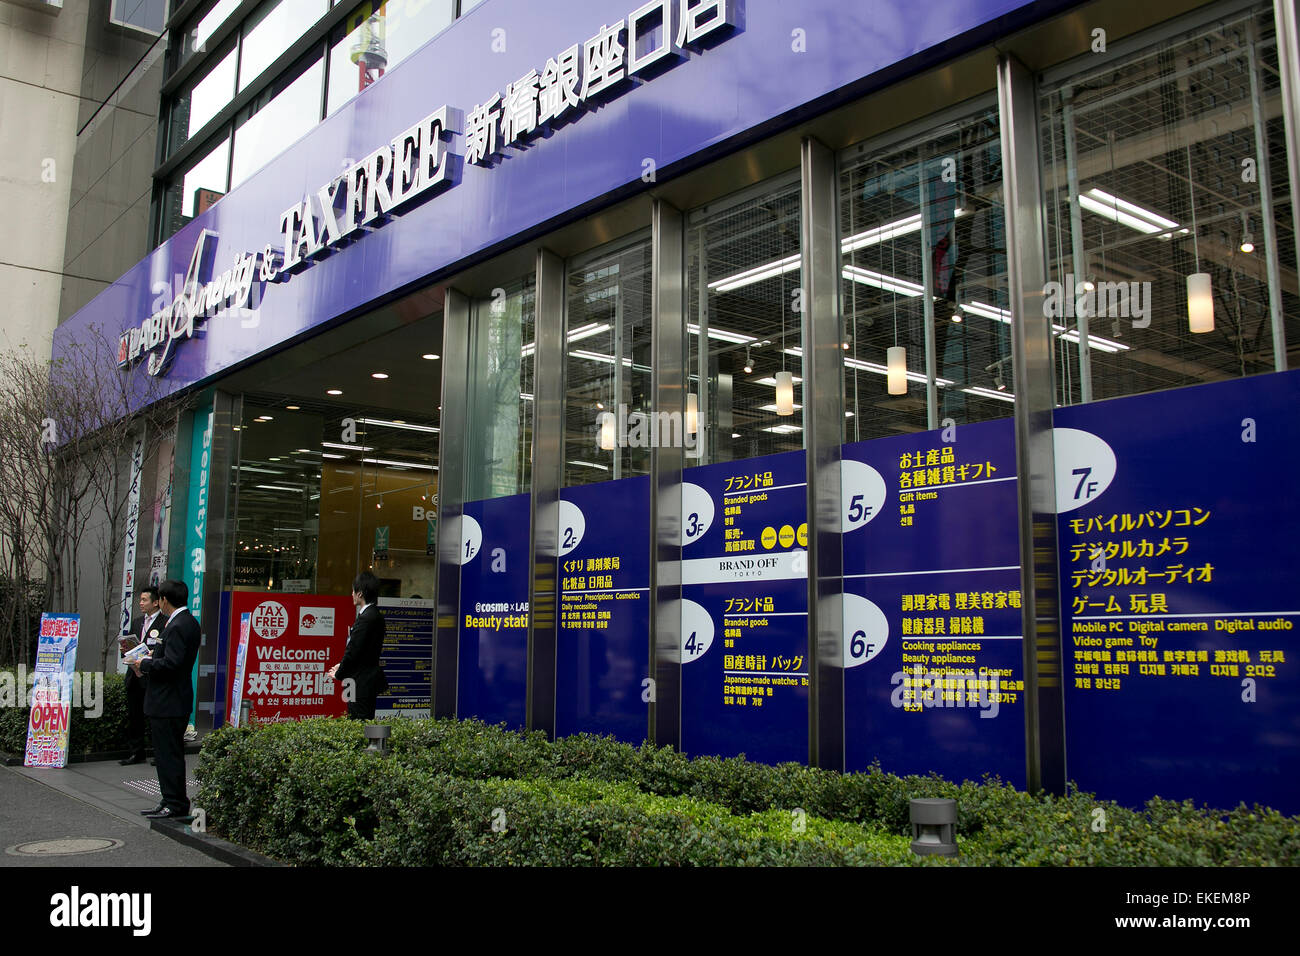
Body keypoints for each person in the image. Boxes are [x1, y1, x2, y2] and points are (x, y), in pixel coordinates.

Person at [131, 579, 201, 820]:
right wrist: (154, 655)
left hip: (169, 701)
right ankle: (169, 799)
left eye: (158, 598)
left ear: (163, 600)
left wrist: (145, 663)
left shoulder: (179, 624)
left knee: (168, 755)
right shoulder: (183, 621)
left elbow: (173, 664)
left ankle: (175, 803)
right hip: (170, 700)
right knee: (166, 755)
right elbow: (172, 657)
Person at [327, 571, 387, 720]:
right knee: (358, 719)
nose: (352, 594)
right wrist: (342, 666)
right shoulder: (374, 615)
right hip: (362, 680)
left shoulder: (367, 618)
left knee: (357, 720)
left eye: (353, 591)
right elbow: (360, 651)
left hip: (360, 682)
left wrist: (339, 672)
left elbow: (353, 651)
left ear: (360, 593)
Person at [117, 586, 163, 765]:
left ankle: (159, 753)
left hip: (152, 676)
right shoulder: (137, 622)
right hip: (134, 676)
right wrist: (124, 650)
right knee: (134, 716)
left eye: (145, 600)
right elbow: (129, 648)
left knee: (154, 717)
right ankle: (136, 752)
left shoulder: (164, 622)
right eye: (140, 600)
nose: (141, 603)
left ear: (156, 602)